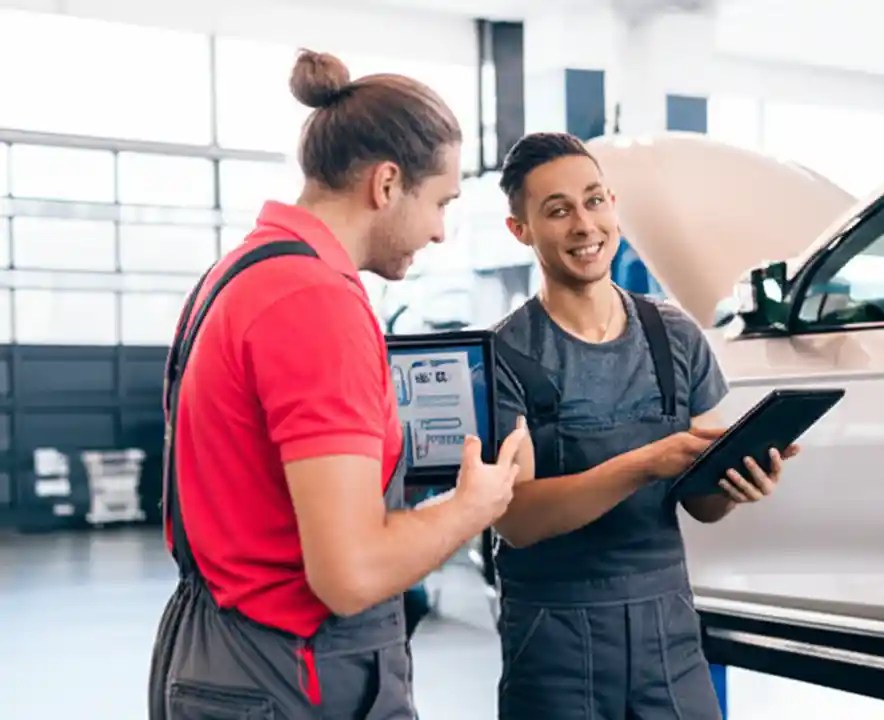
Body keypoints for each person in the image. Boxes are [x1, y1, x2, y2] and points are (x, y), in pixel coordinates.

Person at [147, 49, 525, 719]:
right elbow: (349, 575)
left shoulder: (240, 274)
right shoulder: (314, 303)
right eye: (440, 201)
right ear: (386, 184)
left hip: (222, 653)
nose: (440, 231)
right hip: (292, 673)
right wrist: (476, 504)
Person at [488, 132, 799, 720]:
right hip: (554, 638)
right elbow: (519, 518)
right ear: (521, 230)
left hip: (668, 631)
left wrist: (737, 481)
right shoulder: (507, 355)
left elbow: (700, 504)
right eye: (558, 211)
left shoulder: (673, 336)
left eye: (595, 201)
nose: (585, 225)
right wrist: (645, 463)